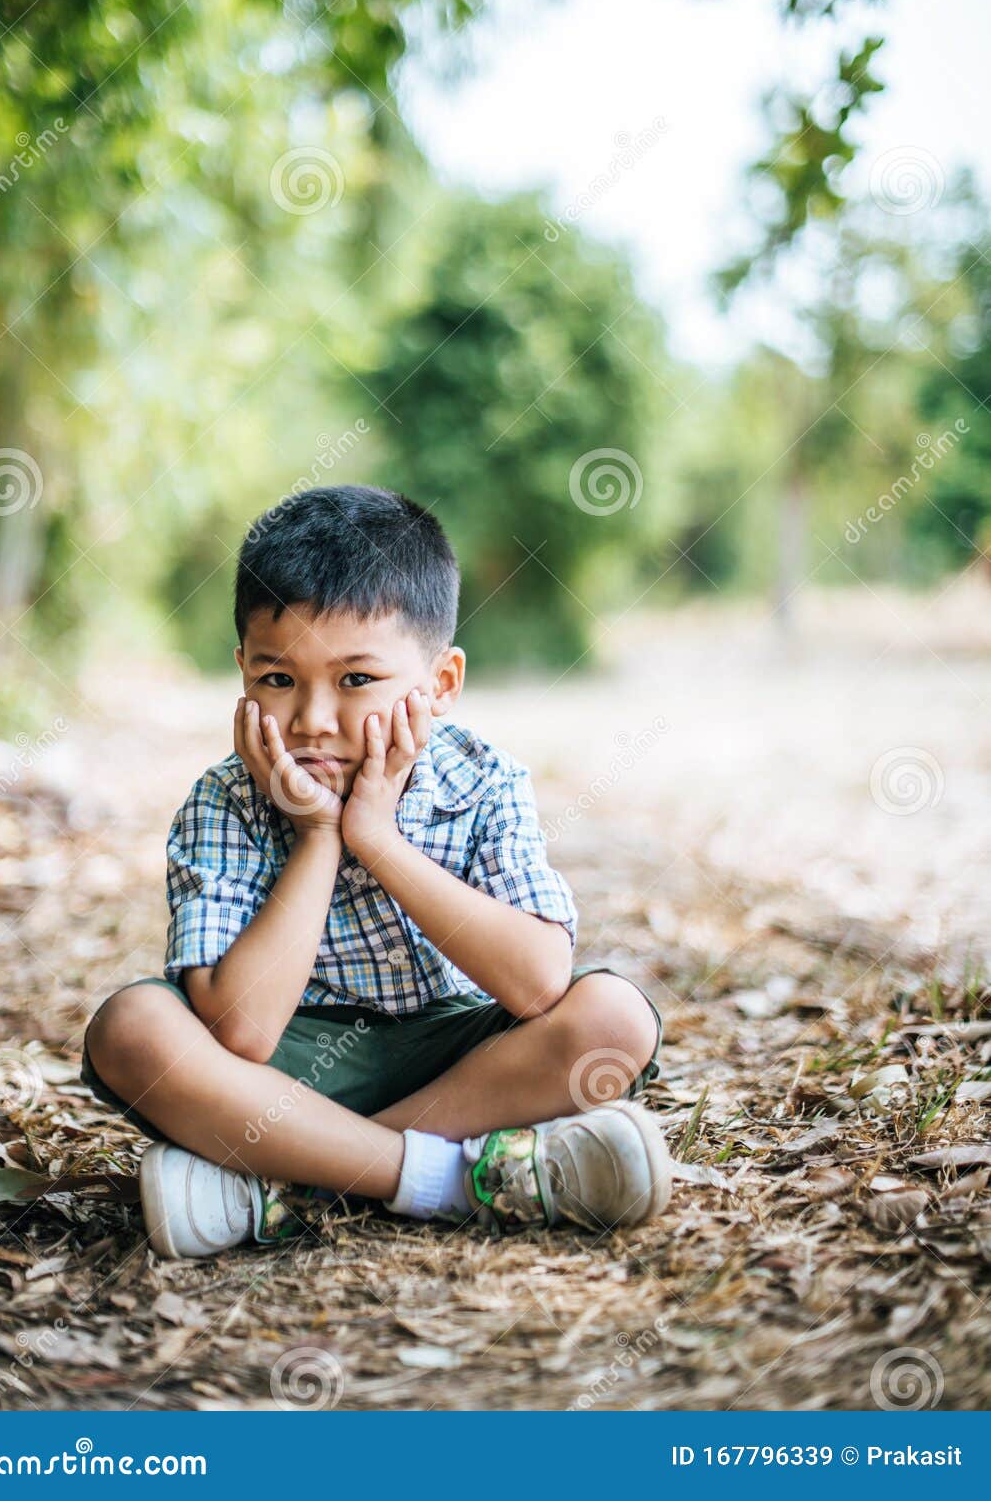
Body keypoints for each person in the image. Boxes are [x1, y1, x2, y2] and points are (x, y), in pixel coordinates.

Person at [81, 484, 671, 1258]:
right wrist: (322, 836)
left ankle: (282, 1182)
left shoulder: (484, 781)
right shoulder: (227, 801)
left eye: (357, 680)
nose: (313, 720)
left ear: (441, 685)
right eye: (278, 679)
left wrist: (378, 840)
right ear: (242, 674)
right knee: (132, 1030)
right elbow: (244, 1033)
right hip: (285, 1081)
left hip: (465, 1068)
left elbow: (535, 982)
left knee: (613, 1020)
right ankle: (455, 1180)